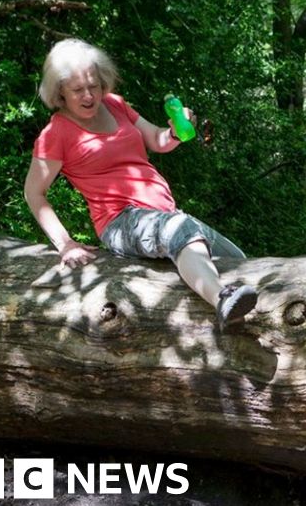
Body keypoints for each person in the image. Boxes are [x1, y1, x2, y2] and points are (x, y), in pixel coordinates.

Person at [24, 38, 257, 332]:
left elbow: (156, 140)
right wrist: (65, 243)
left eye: (94, 86)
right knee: (181, 231)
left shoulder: (115, 105)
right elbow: (34, 192)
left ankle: (246, 308)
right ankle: (223, 300)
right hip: (121, 220)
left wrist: (174, 132)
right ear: (60, 92)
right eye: (78, 90)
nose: (89, 96)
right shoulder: (56, 133)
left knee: (239, 261)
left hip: (164, 214)